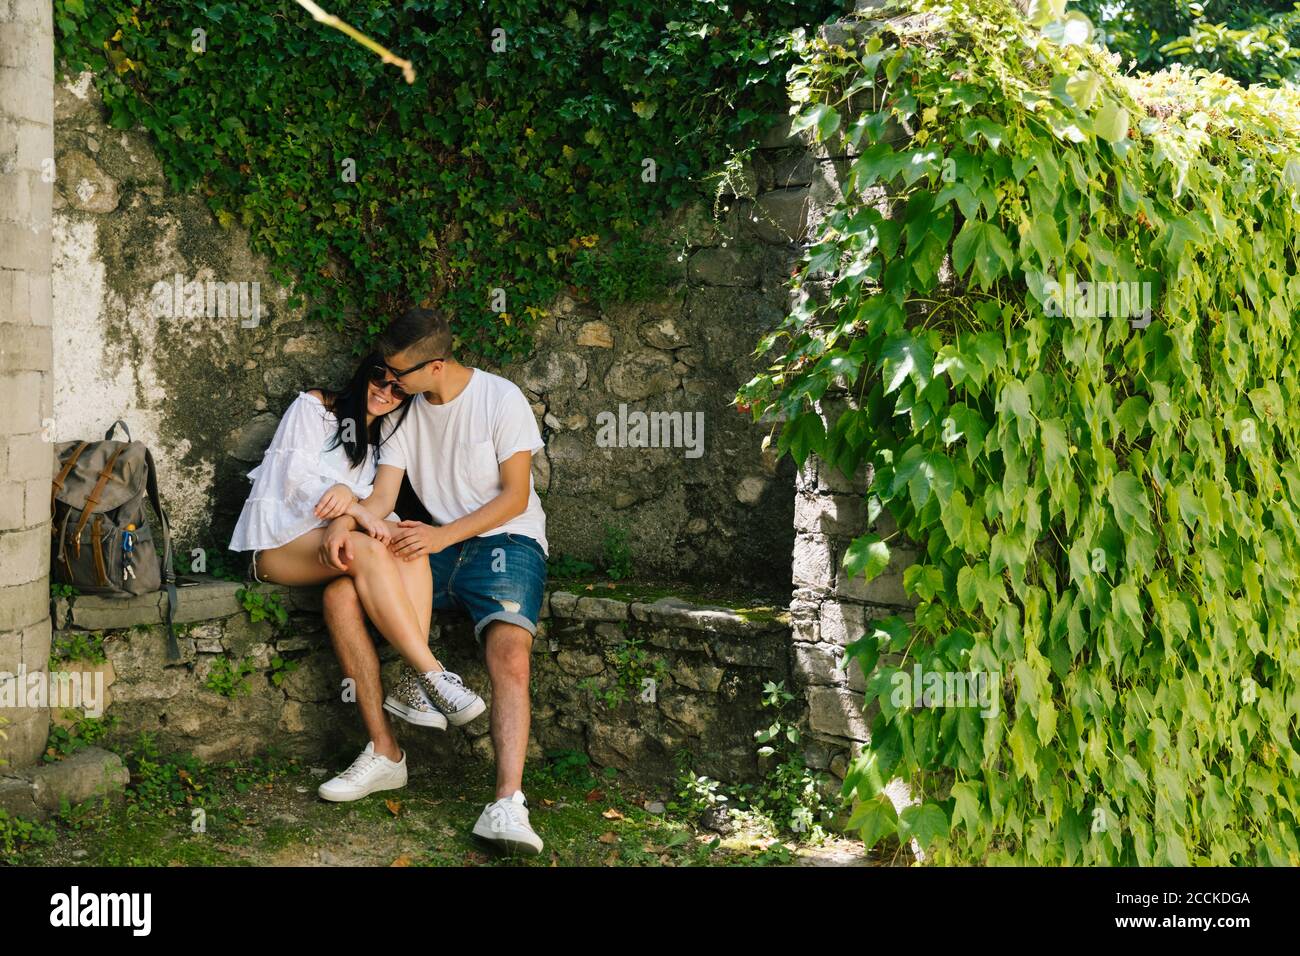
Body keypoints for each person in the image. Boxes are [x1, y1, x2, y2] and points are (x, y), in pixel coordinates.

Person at [319, 306, 549, 855]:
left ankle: (507, 804)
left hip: (505, 540)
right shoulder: (406, 414)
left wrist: (441, 539)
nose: (390, 383)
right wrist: (347, 515)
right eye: (387, 372)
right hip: (437, 544)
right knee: (339, 592)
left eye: (400, 374)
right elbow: (382, 498)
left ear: (437, 366)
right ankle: (384, 752)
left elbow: (515, 495)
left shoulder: (500, 398)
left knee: (511, 651)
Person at [228, 353, 485, 802]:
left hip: (333, 549)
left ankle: (386, 753)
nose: (384, 391)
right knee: (368, 546)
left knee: (401, 545)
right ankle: (429, 672)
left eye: (397, 388)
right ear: (363, 373)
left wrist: (352, 513)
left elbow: (376, 502)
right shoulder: (314, 408)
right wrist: (348, 503)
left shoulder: (382, 436)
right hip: (277, 547)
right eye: (378, 378)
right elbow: (294, 482)